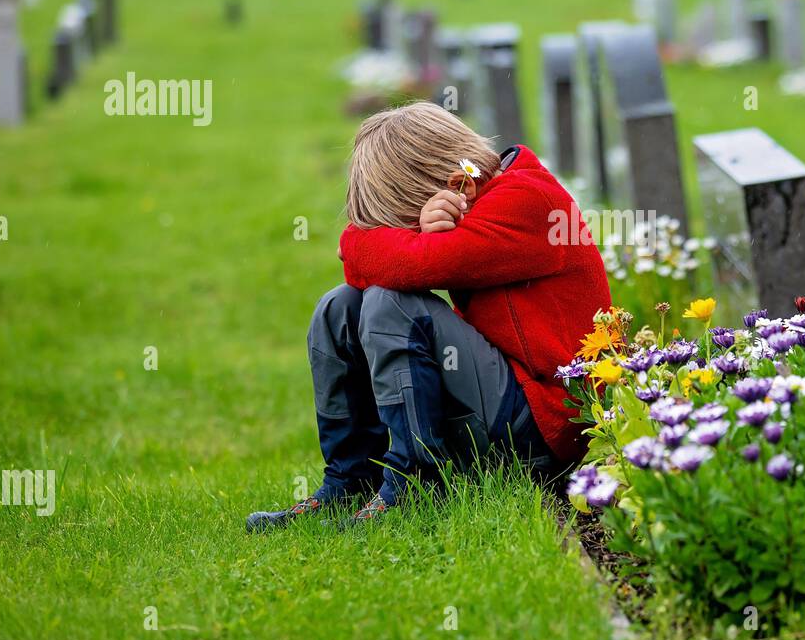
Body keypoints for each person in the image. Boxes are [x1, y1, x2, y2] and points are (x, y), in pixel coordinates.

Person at [246, 102, 609, 530]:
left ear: (460, 186)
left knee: (390, 302)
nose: (398, 234)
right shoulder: (482, 193)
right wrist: (398, 239)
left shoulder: (529, 202)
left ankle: (414, 484)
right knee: (339, 308)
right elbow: (377, 267)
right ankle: (351, 481)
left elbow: (406, 264)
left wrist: (363, 242)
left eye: (399, 224)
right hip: (505, 404)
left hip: (544, 430)